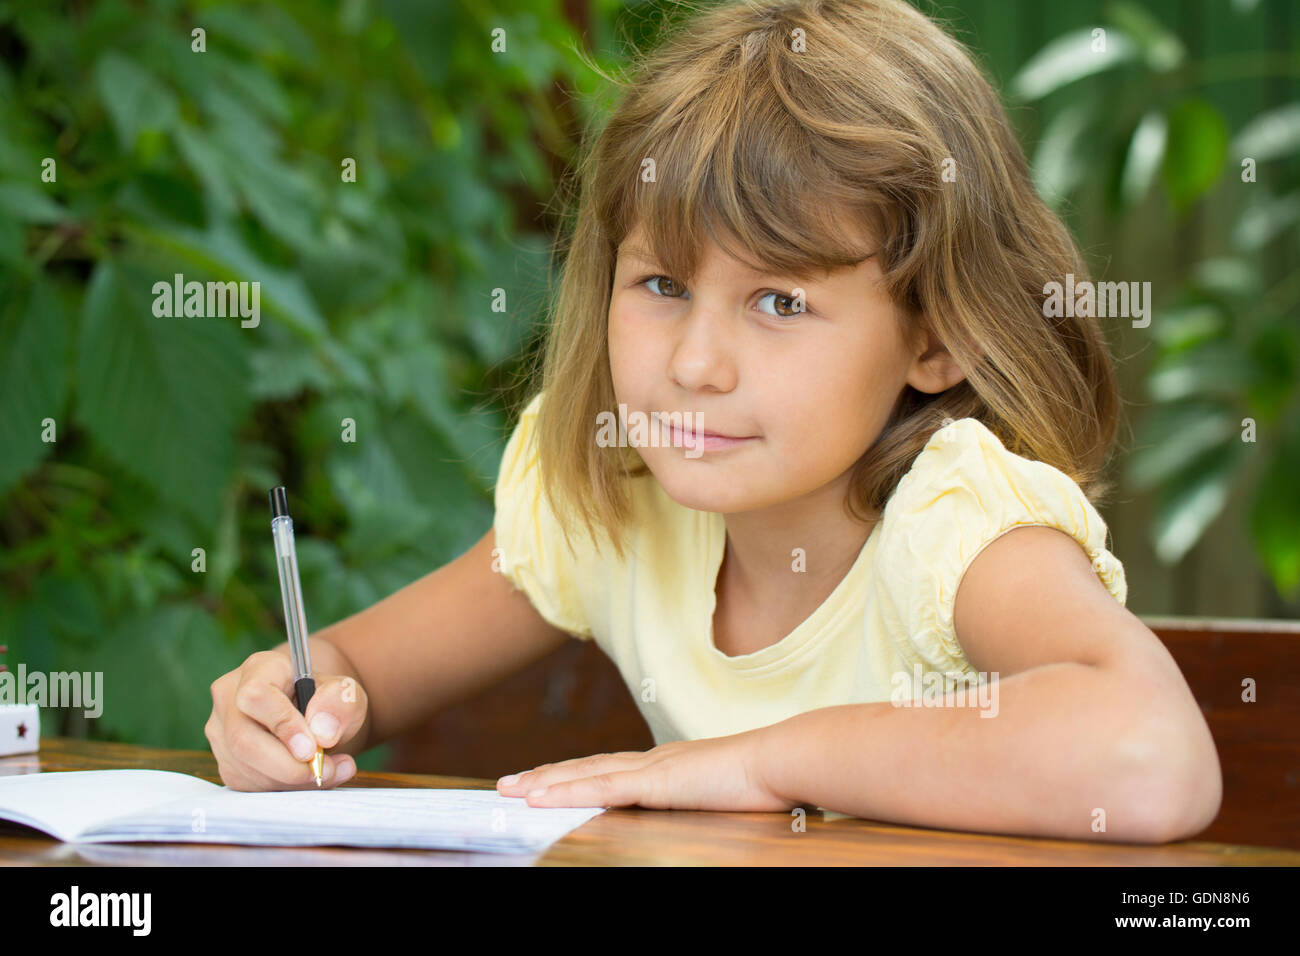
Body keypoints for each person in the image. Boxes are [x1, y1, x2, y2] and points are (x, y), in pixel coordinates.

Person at [206, 0, 1221, 843]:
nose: (694, 364)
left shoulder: (956, 525)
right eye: (661, 284)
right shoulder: (614, 495)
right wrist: (291, 703)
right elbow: (354, 677)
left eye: (779, 301)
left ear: (936, 337)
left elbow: (1151, 759)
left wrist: (765, 762)